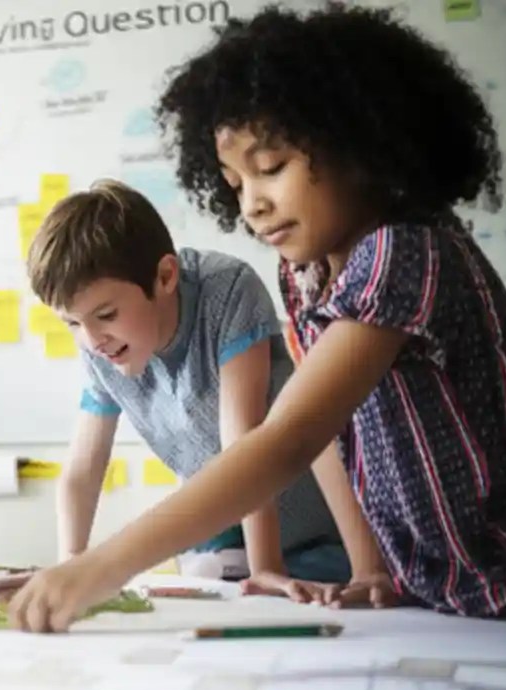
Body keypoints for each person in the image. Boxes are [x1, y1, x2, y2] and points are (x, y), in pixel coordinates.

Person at [1, 4, 506, 632]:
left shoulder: (405, 255)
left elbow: (287, 440)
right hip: (441, 593)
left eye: (272, 169)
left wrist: (99, 567)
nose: (253, 205)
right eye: (234, 184)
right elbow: (350, 437)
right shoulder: (309, 273)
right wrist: (372, 569)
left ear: (361, 147)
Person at [27, 179, 372, 599]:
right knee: (195, 588)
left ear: (166, 276)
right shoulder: (100, 342)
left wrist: (266, 568)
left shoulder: (224, 290)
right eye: (73, 323)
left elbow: (244, 443)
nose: (91, 338)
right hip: (224, 540)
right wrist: (69, 569)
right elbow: (82, 471)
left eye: (106, 314)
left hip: (320, 530)